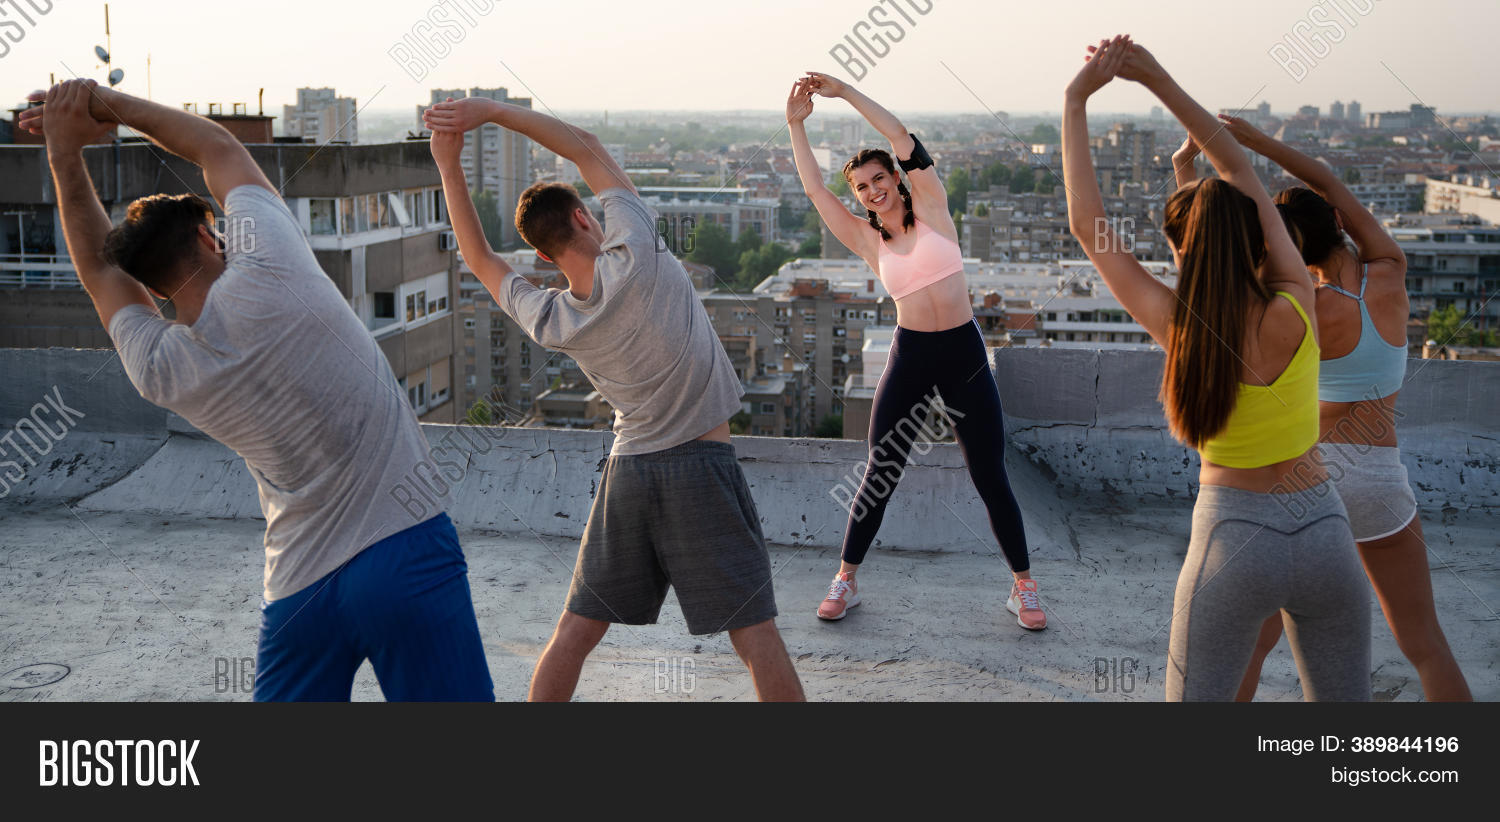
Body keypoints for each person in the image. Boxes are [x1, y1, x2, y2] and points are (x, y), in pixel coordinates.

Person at [20, 80, 493, 701]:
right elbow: (216, 148)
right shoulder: (272, 266)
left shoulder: (161, 367)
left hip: (299, 587)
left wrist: (63, 151)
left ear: (154, 287)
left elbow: (98, 271)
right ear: (207, 238)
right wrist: (107, 103)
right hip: (404, 549)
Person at [422, 96, 805, 701]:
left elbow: (479, 257)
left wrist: (448, 163)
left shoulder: (553, 319)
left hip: (628, 473)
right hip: (699, 467)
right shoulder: (639, 253)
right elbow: (587, 147)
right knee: (755, 634)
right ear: (584, 217)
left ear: (542, 254)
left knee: (575, 631)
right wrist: (490, 110)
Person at [1062, 37, 1369, 700]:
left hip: (1233, 537)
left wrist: (1076, 98)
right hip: (1324, 528)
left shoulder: (1180, 328)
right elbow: (1237, 168)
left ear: (1183, 250)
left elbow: (1089, 225)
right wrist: (1156, 78)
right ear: (1264, 240)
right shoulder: (1297, 298)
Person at [1212, 118, 1472, 702]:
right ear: (1335, 221)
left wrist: (1210, 165)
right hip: (1378, 479)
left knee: (1253, 643)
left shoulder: (1296, 305)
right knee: (1424, 642)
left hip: (1304, 482)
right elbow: (1329, 182)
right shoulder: (1390, 272)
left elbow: (1225, 264)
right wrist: (1258, 140)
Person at [786, 74, 1044, 629]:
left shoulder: (931, 208)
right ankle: (846, 579)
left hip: (963, 354)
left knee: (990, 475)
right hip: (911, 357)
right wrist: (795, 126)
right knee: (881, 470)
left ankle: (1024, 587)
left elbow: (900, 134)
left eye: (879, 178)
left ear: (897, 179)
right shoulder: (867, 240)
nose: (872, 190)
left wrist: (846, 93)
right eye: (862, 187)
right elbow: (815, 192)